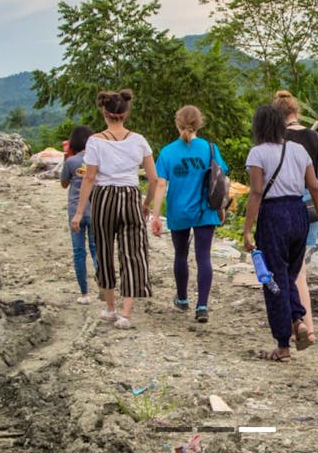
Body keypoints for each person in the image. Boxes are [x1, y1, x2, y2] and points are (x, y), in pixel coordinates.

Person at [243, 104, 318, 362]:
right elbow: (314, 188)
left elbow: (256, 193)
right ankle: (298, 320)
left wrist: (247, 230)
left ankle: (283, 345)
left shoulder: (258, 153)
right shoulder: (299, 150)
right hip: (299, 213)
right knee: (289, 276)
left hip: (274, 215)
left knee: (273, 280)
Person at [71, 89, 157, 330]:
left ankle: (110, 308)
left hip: (104, 198)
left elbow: (89, 178)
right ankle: (126, 315)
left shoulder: (95, 141)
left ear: (104, 113)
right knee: (133, 254)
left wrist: (79, 212)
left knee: (105, 250)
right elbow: (153, 179)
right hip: (130, 196)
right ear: (126, 113)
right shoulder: (139, 140)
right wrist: (146, 204)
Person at [150, 105, 229, 323]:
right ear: (199, 124)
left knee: (180, 255)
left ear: (177, 124)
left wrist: (155, 216)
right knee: (204, 257)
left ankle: (183, 299)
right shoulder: (210, 148)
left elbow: (160, 185)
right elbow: (220, 179)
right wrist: (221, 208)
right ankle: (202, 306)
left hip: (178, 212)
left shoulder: (167, 152)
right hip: (205, 211)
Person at [272, 90, 318, 348]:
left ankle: (296, 325)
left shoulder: (277, 138)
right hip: (310, 205)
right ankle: (307, 327)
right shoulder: (314, 136)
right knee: (299, 271)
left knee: (286, 270)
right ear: (296, 111)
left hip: (282, 204)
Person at [61, 125, 98, 304]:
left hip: (75, 211)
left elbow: (64, 184)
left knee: (78, 252)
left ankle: (84, 294)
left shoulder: (71, 162)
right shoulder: (97, 160)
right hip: (95, 210)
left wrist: (65, 160)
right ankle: (102, 282)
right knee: (96, 248)